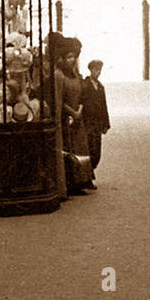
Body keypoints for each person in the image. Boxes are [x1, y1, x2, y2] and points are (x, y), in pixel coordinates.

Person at [54, 38, 91, 193]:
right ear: (63, 58)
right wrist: (72, 112)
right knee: (69, 150)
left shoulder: (76, 75)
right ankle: (71, 183)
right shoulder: (60, 75)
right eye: (69, 57)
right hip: (67, 117)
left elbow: (82, 95)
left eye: (74, 57)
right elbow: (59, 100)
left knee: (81, 149)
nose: (72, 60)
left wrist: (79, 110)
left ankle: (82, 181)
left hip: (77, 116)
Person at [80, 59, 111, 177]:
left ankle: (91, 170)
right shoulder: (85, 84)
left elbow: (104, 106)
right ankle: (88, 174)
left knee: (96, 149)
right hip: (87, 121)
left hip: (97, 123)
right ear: (90, 70)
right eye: (96, 69)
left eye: (99, 70)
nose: (98, 72)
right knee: (89, 148)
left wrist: (106, 123)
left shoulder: (100, 87)